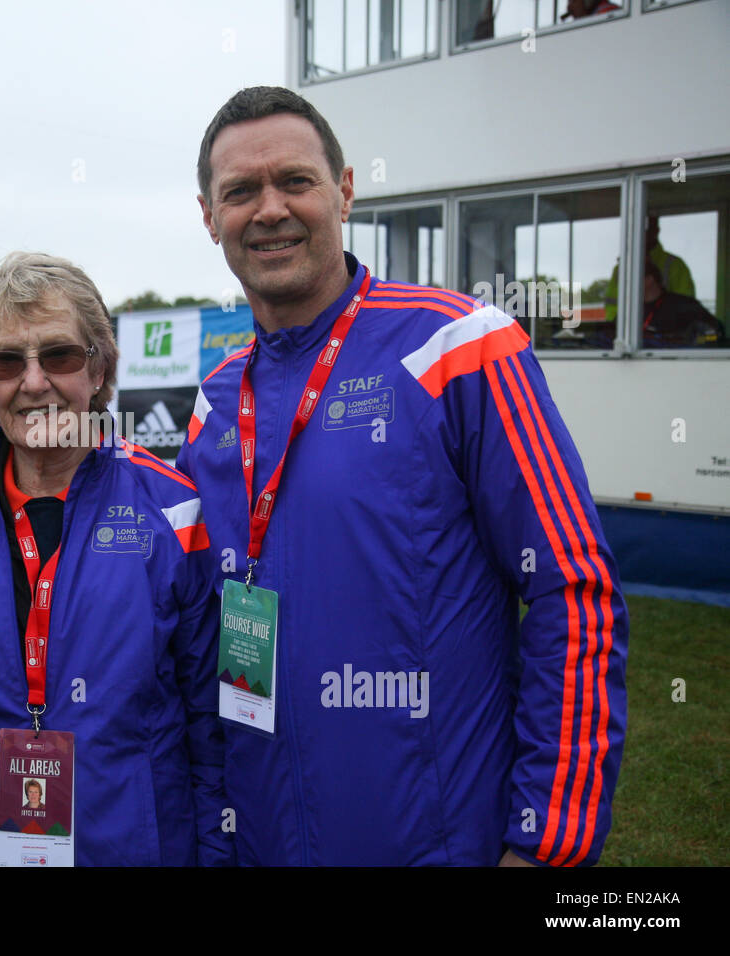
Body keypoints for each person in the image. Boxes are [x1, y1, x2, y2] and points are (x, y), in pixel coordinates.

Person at [179, 86, 628, 866]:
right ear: (209, 215)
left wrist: (545, 842)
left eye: (296, 181)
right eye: (241, 192)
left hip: (434, 844)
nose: (270, 209)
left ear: (345, 190)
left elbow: (575, 589)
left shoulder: (458, 345)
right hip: (260, 843)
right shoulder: (216, 398)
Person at [0, 252, 231, 866]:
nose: (34, 382)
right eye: (8, 361)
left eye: (61, 356)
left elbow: (211, 725)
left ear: (99, 369)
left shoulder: (174, 514)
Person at [604, 214, 696, 324]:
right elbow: (612, 306)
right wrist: (617, 329)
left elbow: (687, 309)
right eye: (636, 228)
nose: (640, 233)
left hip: (666, 336)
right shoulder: (621, 268)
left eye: (646, 227)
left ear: (656, 231)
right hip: (627, 336)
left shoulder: (675, 265)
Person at [641, 262, 724, 348]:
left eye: (634, 277)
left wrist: (683, 341)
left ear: (649, 279)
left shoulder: (683, 305)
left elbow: (715, 334)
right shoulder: (631, 308)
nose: (628, 283)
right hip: (641, 359)